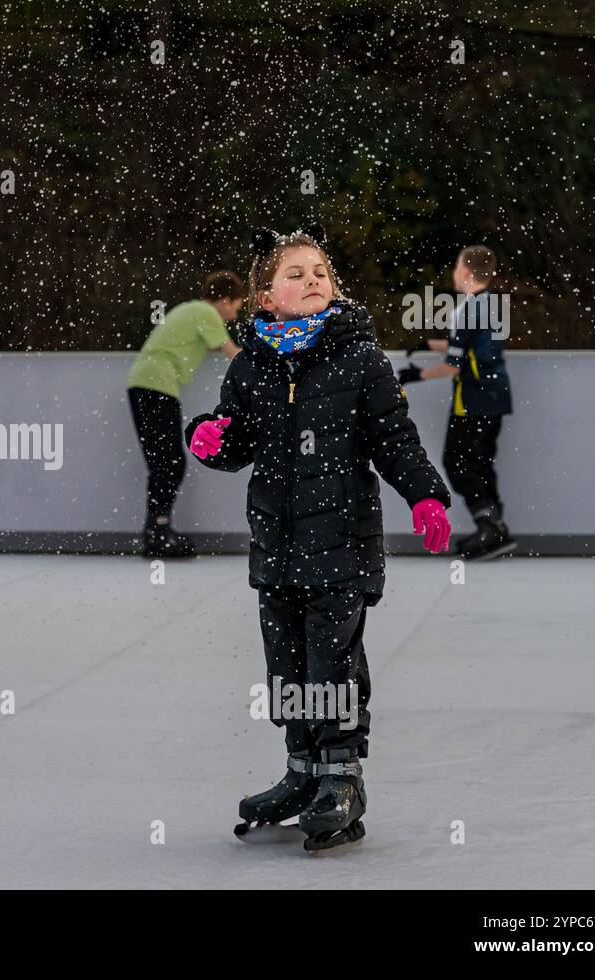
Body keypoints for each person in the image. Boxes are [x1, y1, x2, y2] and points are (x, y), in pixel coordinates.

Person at [185, 224, 452, 852]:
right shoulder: (252, 364)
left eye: (321, 273)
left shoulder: (360, 359)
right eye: (296, 274)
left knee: (332, 664)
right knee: (288, 664)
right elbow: (237, 436)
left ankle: (341, 777)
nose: (312, 280)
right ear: (266, 298)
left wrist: (426, 495)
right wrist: (211, 437)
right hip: (275, 546)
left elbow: (394, 438)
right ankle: (302, 772)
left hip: (340, 544)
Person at [398, 245, 515, 559]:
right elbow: (470, 345)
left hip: (473, 400)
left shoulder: (467, 309)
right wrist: (429, 343)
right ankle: (495, 526)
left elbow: (454, 365)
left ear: (465, 271)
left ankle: (489, 526)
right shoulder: (491, 304)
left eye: (456, 266)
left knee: (457, 461)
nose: (453, 272)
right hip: (495, 397)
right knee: (480, 462)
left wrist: (416, 375)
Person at [126, 271, 244, 558]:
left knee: (164, 461)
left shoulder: (190, 310)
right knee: (170, 462)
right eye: (236, 308)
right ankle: (158, 533)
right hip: (157, 386)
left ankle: (156, 530)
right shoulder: (206, 313)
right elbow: (234, 356)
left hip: (144, 383)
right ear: (225, 301)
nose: (234, 317)